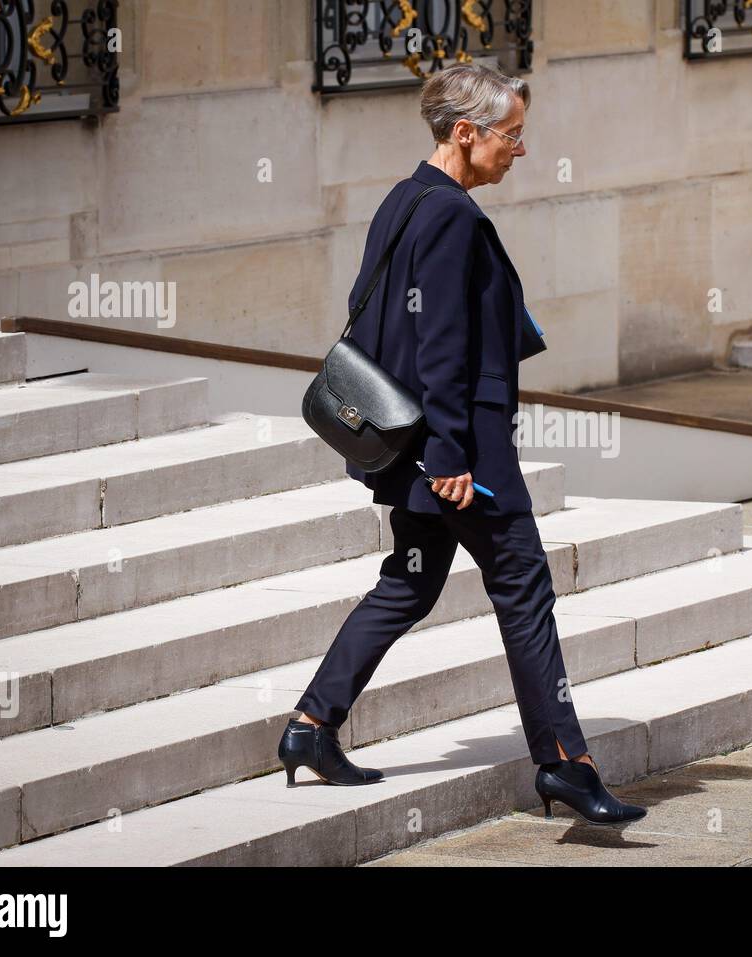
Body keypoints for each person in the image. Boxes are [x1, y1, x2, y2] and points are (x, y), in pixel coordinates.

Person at [277, 64, 644, 827]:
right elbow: (439, 343)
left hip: (418, 447)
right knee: (524, 584)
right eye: (511, 136)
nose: (520, 150)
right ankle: (565, 763)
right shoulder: (449, 214)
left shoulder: (404, 199)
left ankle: (312, 725)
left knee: (408, 584)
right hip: (458, 453)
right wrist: (450, 455)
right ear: (466, 131)